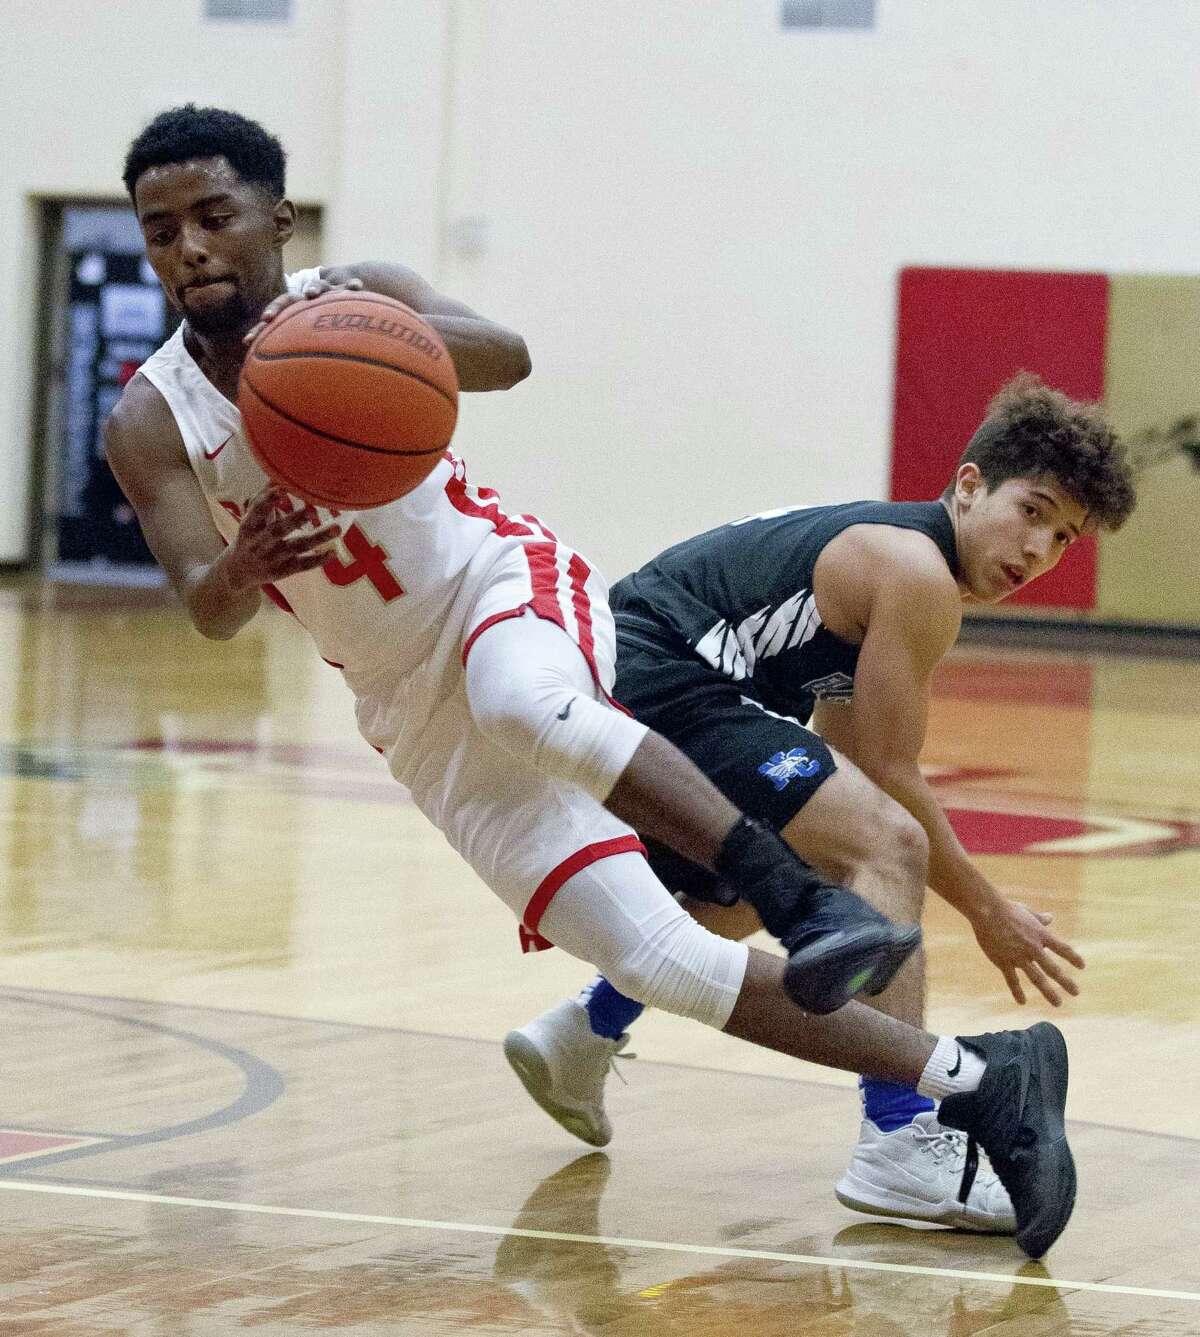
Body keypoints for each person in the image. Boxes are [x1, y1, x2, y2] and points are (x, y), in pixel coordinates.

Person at [105, 104, 1077, 1260]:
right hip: (403, 703)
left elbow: (507, 355)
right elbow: (206, 605)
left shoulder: (356, 296)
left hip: (497, 582)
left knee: (525, 702)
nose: (189, 248)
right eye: (161, 231)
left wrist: (385, 340)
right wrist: (245, 562)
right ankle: (979, 1077)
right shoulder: (150, 416)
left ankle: (801, 899)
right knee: (661, 956)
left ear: (276, 217)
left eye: (213, 216)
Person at [506, 375, 1136, 1236]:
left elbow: (849, 763)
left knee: (809, 863)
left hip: (638, 676)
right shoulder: (918, 573)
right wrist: (989, 911)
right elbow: (891, 776)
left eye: (1064, 537)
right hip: (661, 675)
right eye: (1032, 511)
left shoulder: (897, 561)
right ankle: (900, 1136)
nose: (1038, 548)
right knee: (891, 845)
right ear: (969, 485)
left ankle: (583, 1031)